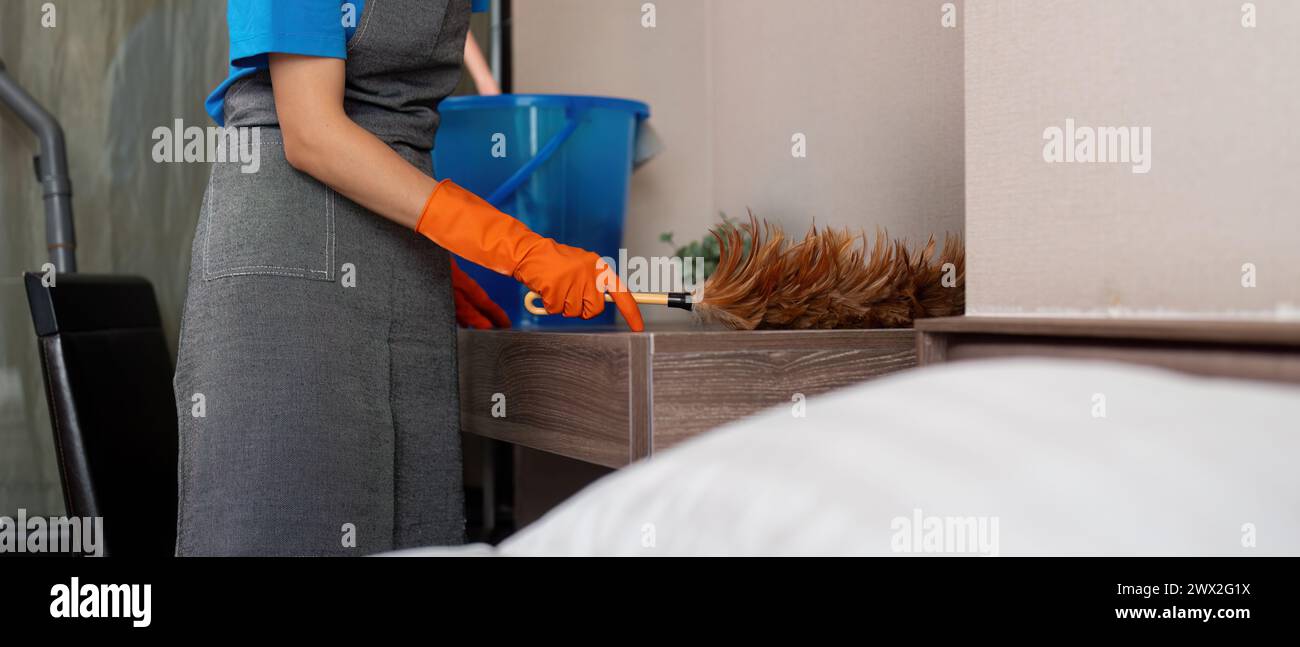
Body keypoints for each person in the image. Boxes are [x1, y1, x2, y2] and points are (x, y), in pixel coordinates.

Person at [174, 0, 643, 556]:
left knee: (414, 521)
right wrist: (516, 249)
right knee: (293, 523)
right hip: (288, 245)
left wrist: (426, 252)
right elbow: (312, 132)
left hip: (393, 238)